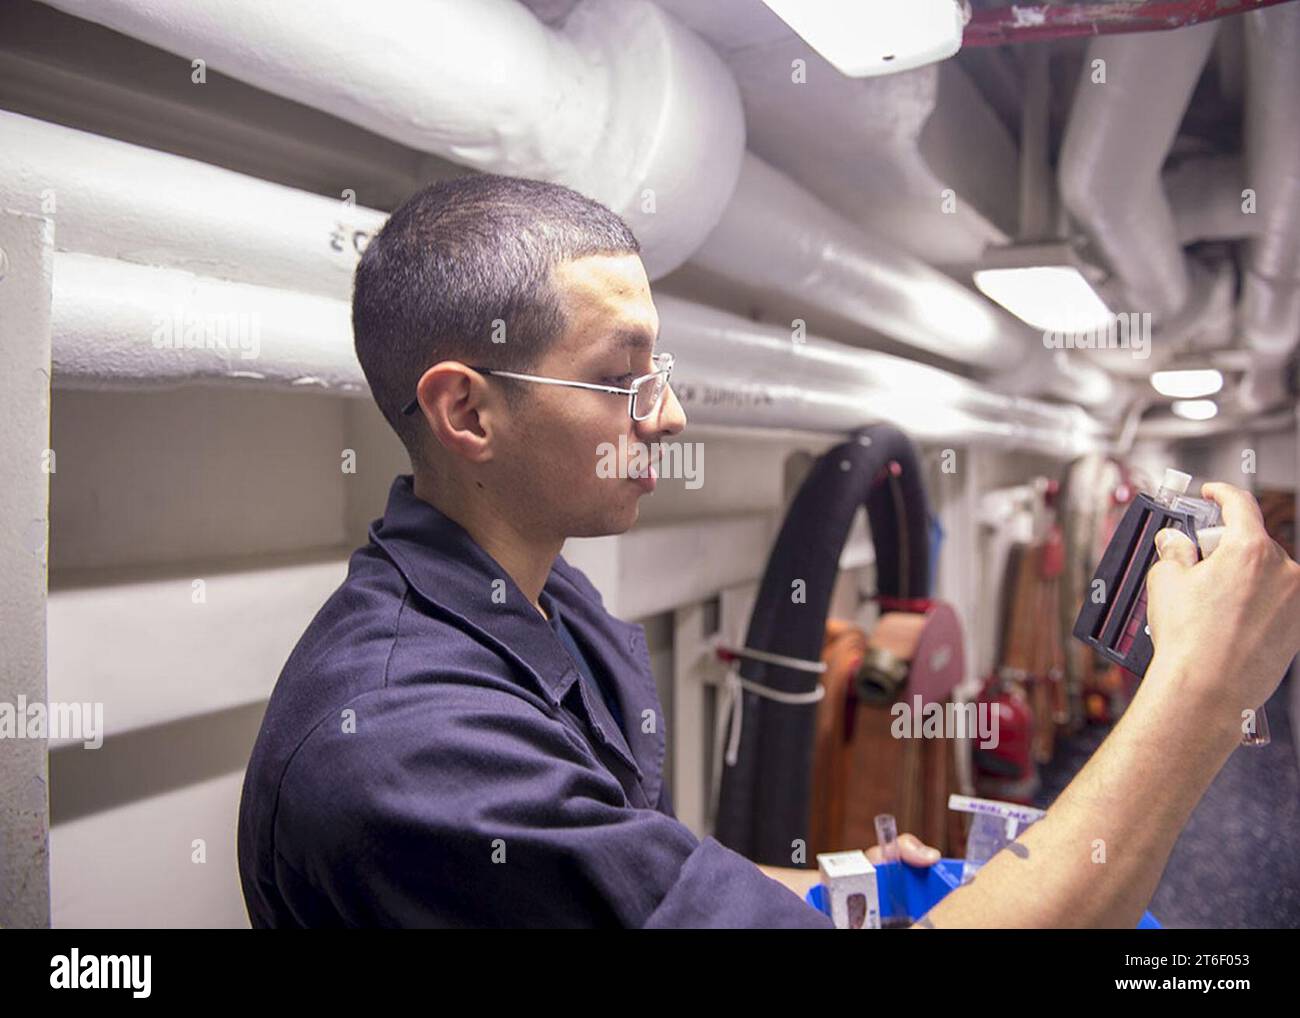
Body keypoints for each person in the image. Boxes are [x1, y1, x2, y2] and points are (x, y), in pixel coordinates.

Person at [237, 173, 1300, 928]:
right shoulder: (409, 749)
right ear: (468, 412)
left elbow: (647, 886)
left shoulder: (551, 602)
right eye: (620, 378)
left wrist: (840, 891)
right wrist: (1201, 691)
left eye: (659, 373)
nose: (667, 416)